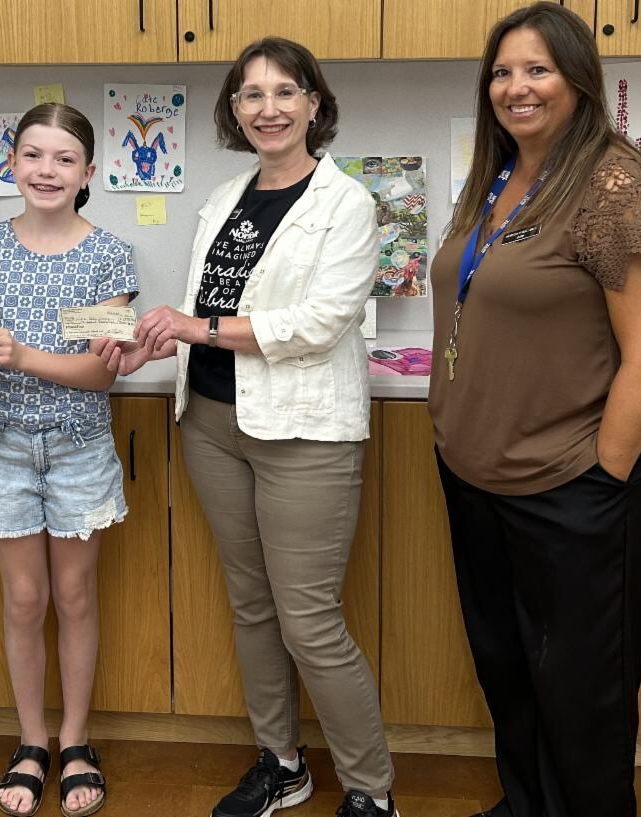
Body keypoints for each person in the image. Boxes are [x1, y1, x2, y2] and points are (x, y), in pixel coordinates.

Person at [105, 37, 397, 817]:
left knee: (311, 621)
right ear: (234, 110)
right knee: (252, 605)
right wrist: (152, 342)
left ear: (313, 104)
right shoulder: (226, 196)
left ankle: (371, 790)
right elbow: (209, 309)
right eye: (251, 95)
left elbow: (319, 322)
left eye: (284, 92)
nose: (268, 108)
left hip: (303, 433)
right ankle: (282, 761)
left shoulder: (347, 204)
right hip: (210, 421)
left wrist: (193, 326)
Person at [427, 4, 641, 816]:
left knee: (582, 693)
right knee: (508, 670)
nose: (517, 87)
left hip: (571, 480)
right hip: (480, 473)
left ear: (578, 79)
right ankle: (527, 804)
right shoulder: (499, 174)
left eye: (537, 69)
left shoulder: (615, 184)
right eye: (503, 72)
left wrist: (603, 478)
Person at [0, 102, 138, 817]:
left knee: (75, 596)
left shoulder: (109, 257)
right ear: (11, 164)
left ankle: (77, 740)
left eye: (64, 159)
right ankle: (32, 741)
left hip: (79, 445)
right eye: (32, 155)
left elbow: (100, 372)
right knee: (24, 600)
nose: (46, 170)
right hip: (1, 445)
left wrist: (20, 354)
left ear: (88, 173)